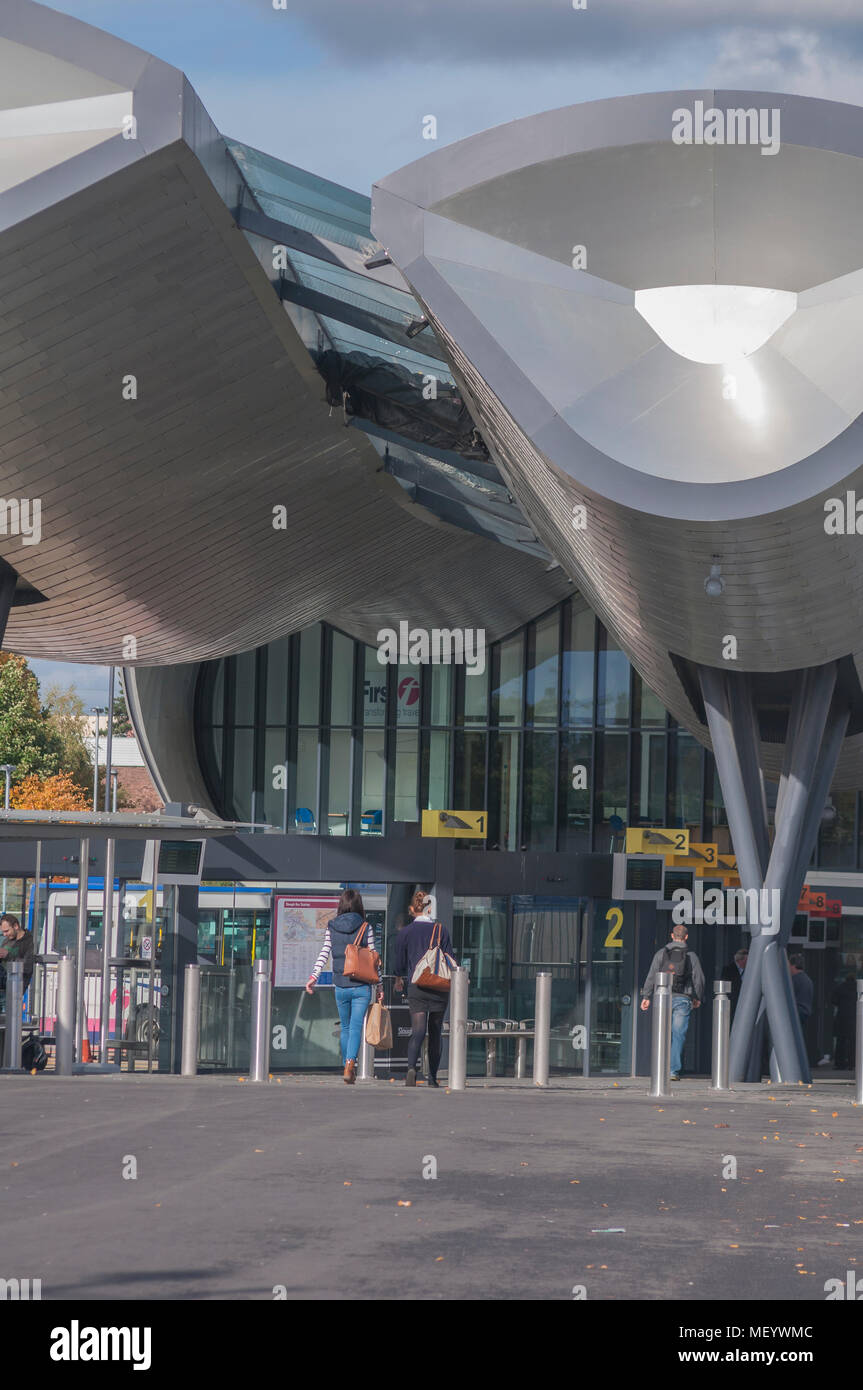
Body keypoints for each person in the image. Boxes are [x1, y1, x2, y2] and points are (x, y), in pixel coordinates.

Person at [305, 890, 379, 1085]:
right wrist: (379, 987)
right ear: (359, 906)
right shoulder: (366, 927)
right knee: (356, 1027)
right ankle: (349, 1063)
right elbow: (373, 959)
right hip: (362, 985)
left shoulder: (332, 926)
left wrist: (314, 976)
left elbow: (324, 952)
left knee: (345, 1027)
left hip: (340, 984)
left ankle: (347, 1064)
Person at [394, 889, 456, 1088]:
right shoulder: (441, 930)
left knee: (418, 1030)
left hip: (417, 984)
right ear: (430, 910)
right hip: (439, 985)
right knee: (436, 1031)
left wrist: (399, 978)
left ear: (412, 909)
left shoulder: (405, 933)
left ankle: (411, 1069)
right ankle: (432, 1078)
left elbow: (399, 963)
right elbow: (449, 957)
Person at [640, 924, 705, 1080]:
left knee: (661, 1033)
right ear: (686, 937)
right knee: (678, 1035)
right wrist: (698, 997)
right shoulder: (691, 956)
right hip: (683, 998)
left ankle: (658, 1068)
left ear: (672, 935)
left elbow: (651, 975)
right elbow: (699, 979)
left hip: (662, 998)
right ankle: (672, 1071)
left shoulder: (661, 954)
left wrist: (646, 996)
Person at [0, 913, 34, 1000]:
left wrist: (8, 955)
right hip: (5, 981)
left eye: (6, 931)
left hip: (17, 984)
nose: (4, 935)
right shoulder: (7, 941)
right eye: (3, 932)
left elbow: (28, 966)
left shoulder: (29, 941)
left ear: (16, 926)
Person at [831, 974, 857, 1071]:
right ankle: (852, 1063)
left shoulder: (840, 987)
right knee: (853, 1041)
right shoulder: (857, 988)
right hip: (854, 1017)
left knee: (840, 1041)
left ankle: (840, 1063)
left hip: (842, 1017)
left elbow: (833, 1000)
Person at [719, 947, 748, 1014]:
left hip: (745, 1004)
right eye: (747, 960)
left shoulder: (749, 971)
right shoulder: (728, 970)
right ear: (741, 960)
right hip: (733, 1005)